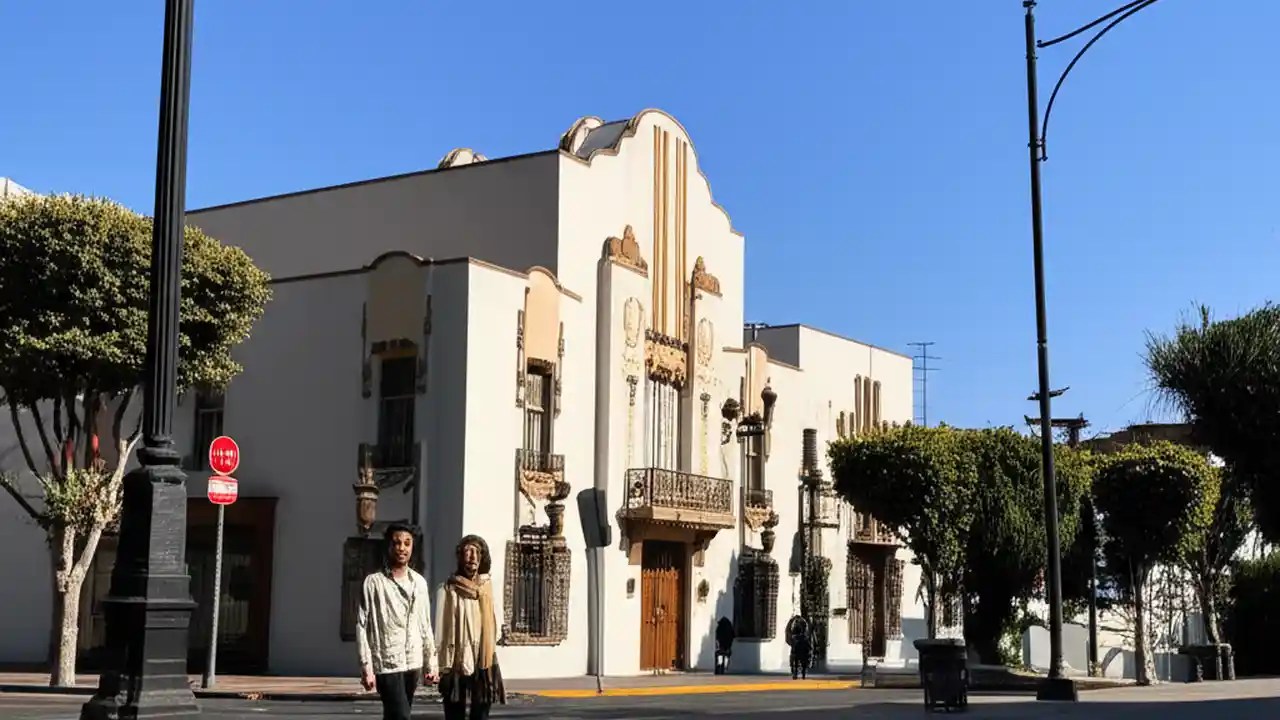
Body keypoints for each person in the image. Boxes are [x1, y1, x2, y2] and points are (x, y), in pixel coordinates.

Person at [356, 524, 439, 720]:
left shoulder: (419, 582)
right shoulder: (373, 582)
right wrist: (366, 667)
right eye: (397, 543)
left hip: (413, 662)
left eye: (407, 543)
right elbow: (362, 626)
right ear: (389, 546)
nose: (402, 548)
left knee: (396, 715)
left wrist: (431, 663)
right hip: (387, 662)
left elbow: (425, 625)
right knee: (400, 715)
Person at [438, 534, 506, 720]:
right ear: (460, 556)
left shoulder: (488, 588)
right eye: (468, 551)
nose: (472, 557)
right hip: (456, 657)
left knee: (481, 712)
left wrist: (489, 643)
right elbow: (441, 627)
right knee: (454, 712)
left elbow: (496, 619)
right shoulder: (449, 588)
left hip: (483, 657)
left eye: (477, 552)